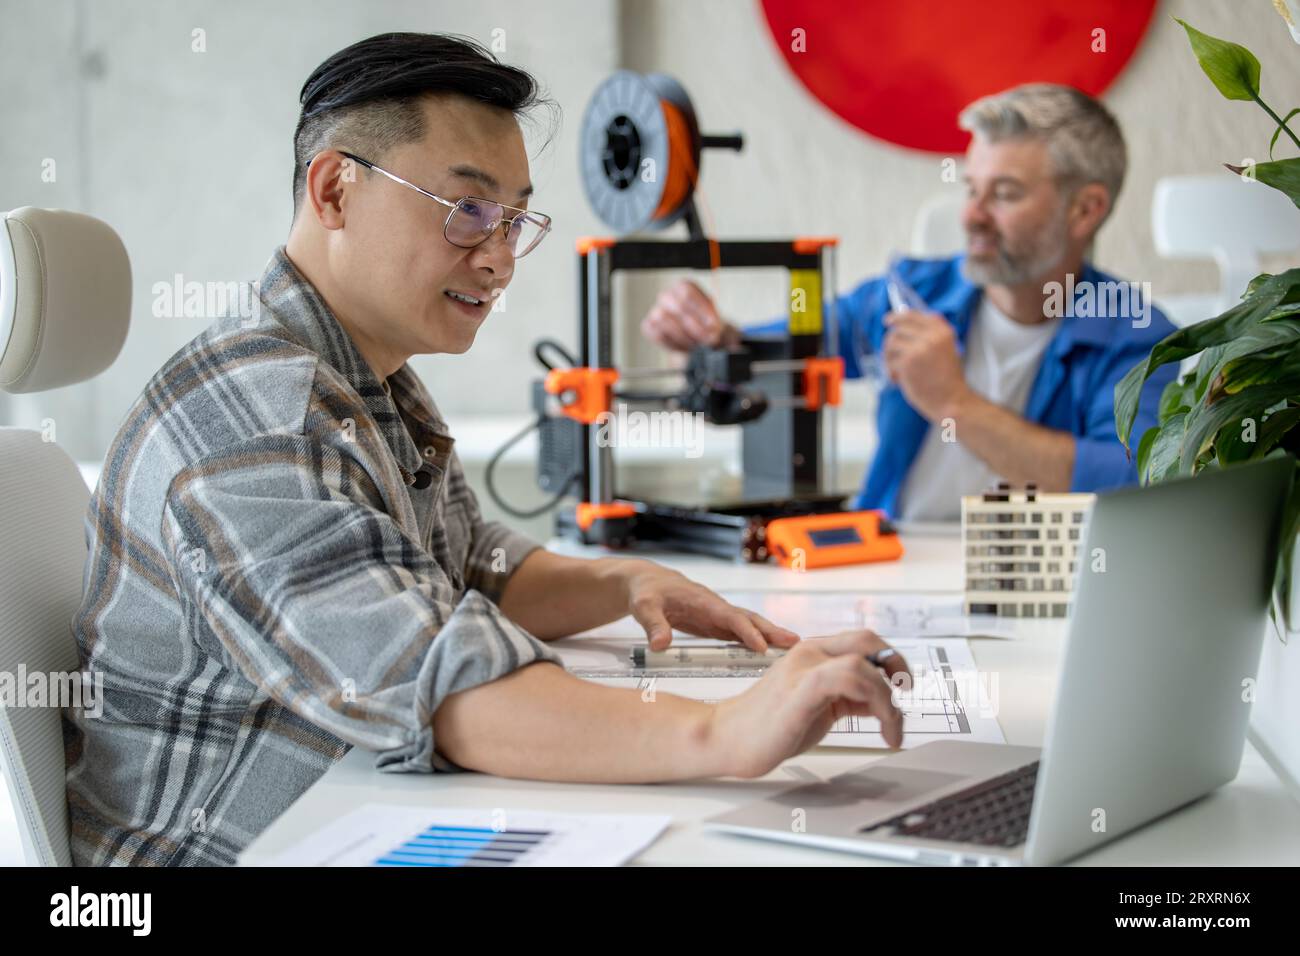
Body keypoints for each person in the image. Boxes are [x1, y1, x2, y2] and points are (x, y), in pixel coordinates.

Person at [62, 33, 906, 866]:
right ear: (335, 191)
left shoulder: (372, 377)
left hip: (345, 811)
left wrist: (628, 581)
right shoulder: (255, 418)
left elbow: (469, 566)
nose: (500, 258)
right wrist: (727, 729)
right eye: (467, 211)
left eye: (514, 220)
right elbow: (435, 682)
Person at [642, 84, 1177, 521]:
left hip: (1042, 596)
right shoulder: (908, 296)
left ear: (1085, 210)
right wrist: (704, 336)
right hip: (891, 571)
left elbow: (1134, 483)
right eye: (971, 188)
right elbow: (771, 353)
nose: (972, 215)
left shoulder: (1136, 337)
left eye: (1005, 193)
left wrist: (954, 404)